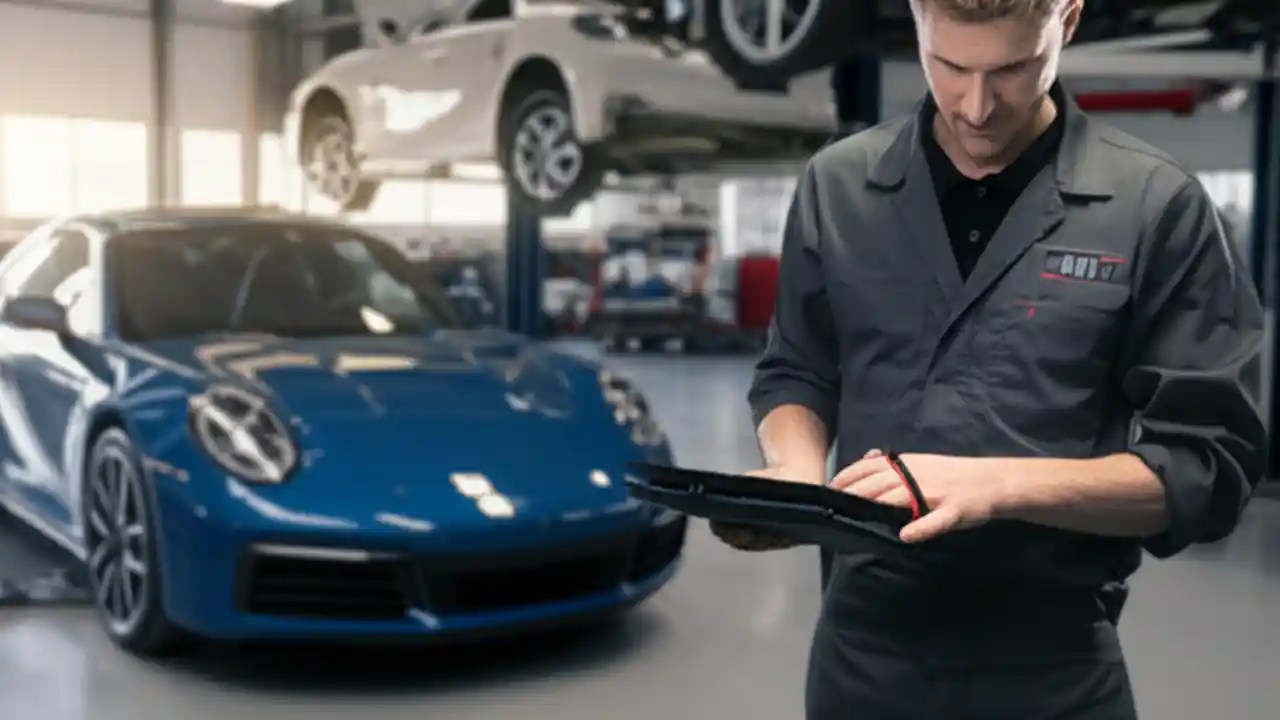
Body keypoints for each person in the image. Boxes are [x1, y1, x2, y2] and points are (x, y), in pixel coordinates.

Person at [712, 0, 1268, 718]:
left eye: (1012, 69)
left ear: (1065, 22)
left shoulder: (1156, 207)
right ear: (917, 18)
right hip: (863, 651)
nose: (976, 107)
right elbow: (799, 368)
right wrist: (794, 469)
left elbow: (1208, 469)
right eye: (950, 66)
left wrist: (999, 484)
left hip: (1053, 662)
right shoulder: (839, 186)